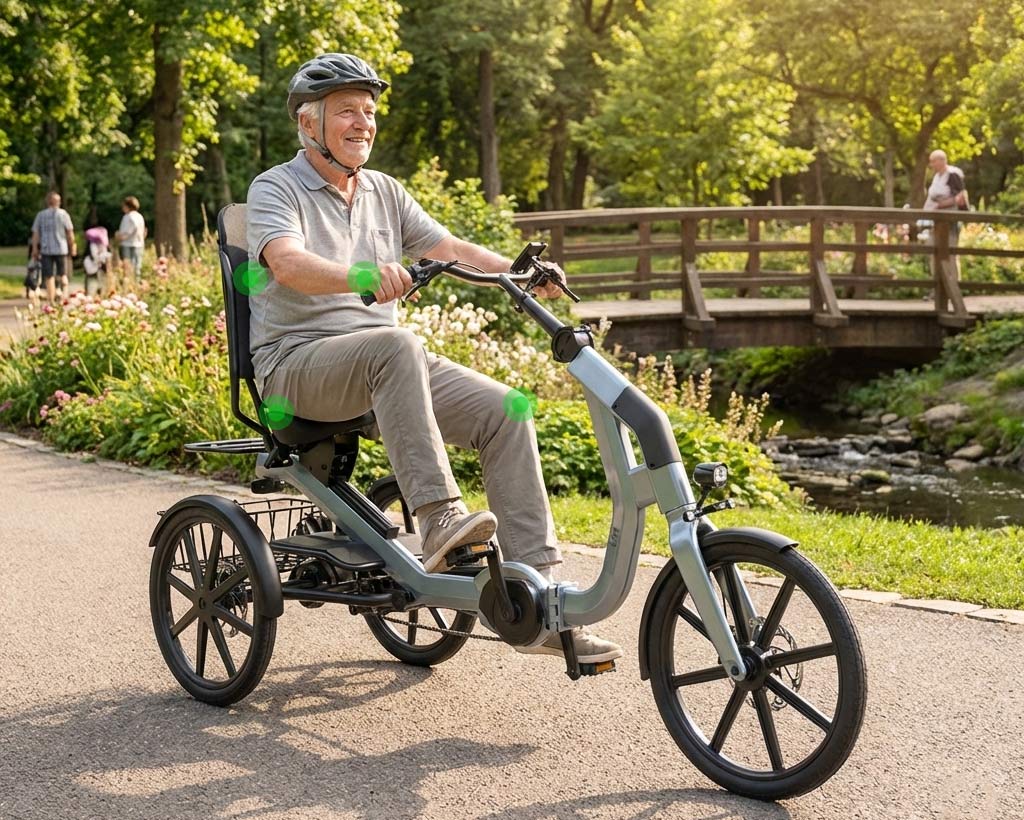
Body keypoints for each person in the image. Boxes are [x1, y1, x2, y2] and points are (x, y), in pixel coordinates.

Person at [246, 53, 622, 664]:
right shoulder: (276, 187)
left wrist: (517, 270)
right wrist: (363, 275)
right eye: (347, 111)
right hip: (297, 366)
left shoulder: (384, 192)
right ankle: (440, 517)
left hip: (380, 371)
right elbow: (285, 262)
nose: (363, 122)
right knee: (398, 344)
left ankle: (539, 598)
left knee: (507, 408)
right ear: (308, 124)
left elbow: (450, 246)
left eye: (369, 112)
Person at [923, 149, 967, 279]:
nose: (931, 165)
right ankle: (936, 285)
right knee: (934, 251)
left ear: (942, 161)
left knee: (950, 252)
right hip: (936, 221)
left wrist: (939, 205)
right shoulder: (936, 177)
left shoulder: (953, 174)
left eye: (933, 161)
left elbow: (960, 197)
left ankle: (953, 284)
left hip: (950, 220)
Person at [30, 191, 76, 304]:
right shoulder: (63, 214)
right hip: (61, 248)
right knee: (63, 274)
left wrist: (35, 248)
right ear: (58, 202)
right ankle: (64, 297)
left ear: (47, 202)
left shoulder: (41, 215)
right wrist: (73, 246)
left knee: (48, 275)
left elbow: (36, 234)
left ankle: (51, 299)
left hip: (46, 249)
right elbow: (70, 232)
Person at [115, 196, 146, 282]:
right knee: (137, 264)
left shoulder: (129, 216)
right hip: (139, 243)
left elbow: (134, 227)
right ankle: (135, 282)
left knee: (128, 265)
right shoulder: (139, 216)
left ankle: (130, 283)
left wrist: (124, 236)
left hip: (128, 244)